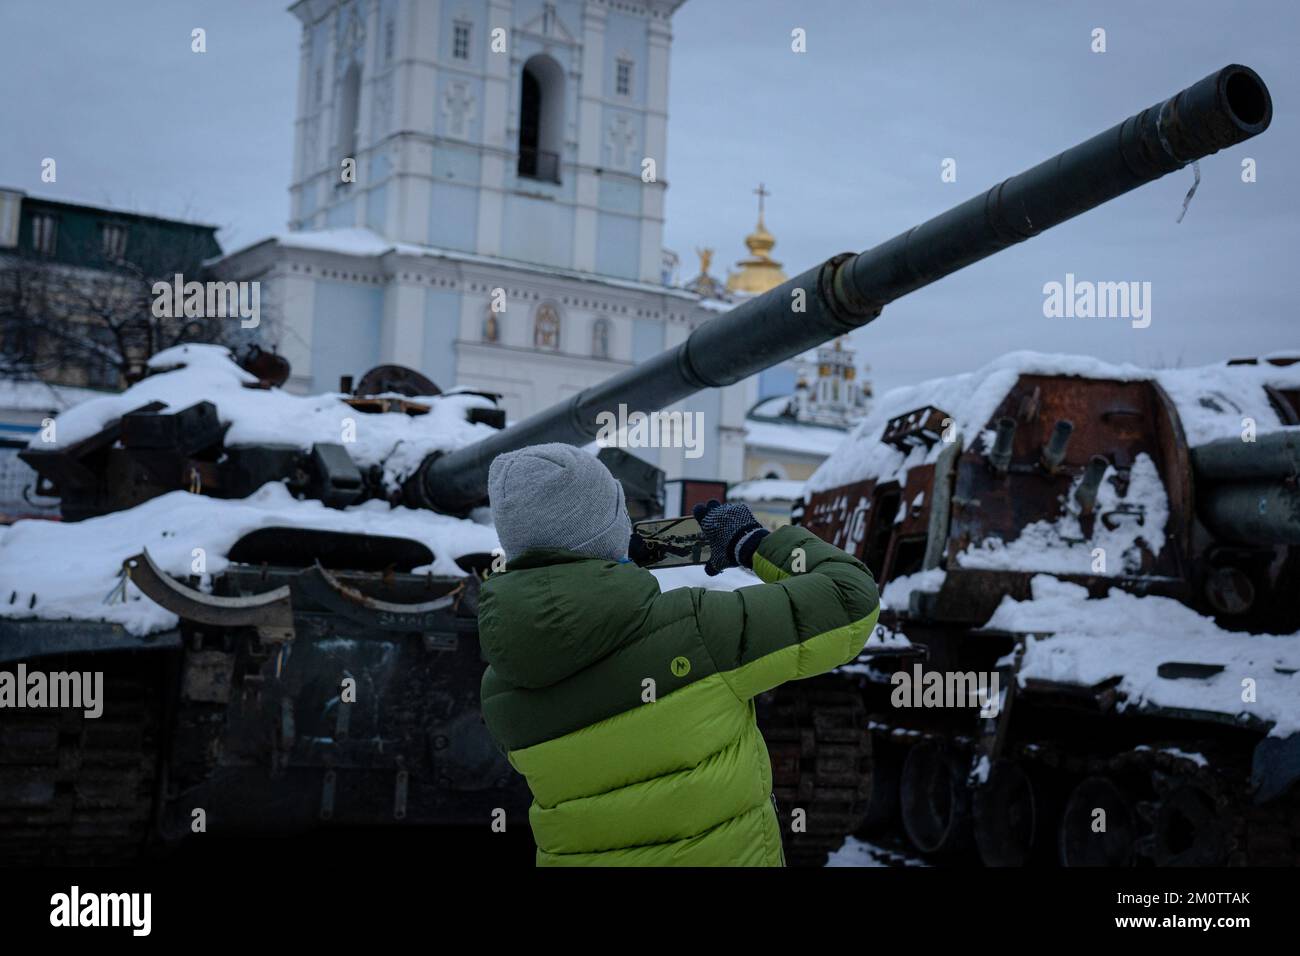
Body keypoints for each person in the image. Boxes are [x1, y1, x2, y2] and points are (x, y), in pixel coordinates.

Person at [478, 442, 879, 866]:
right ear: (613, 529)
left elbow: (582, 637)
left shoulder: (501, 687)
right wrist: (751, 542)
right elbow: (850, 599)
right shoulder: (698, 628)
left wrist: (606, 573)